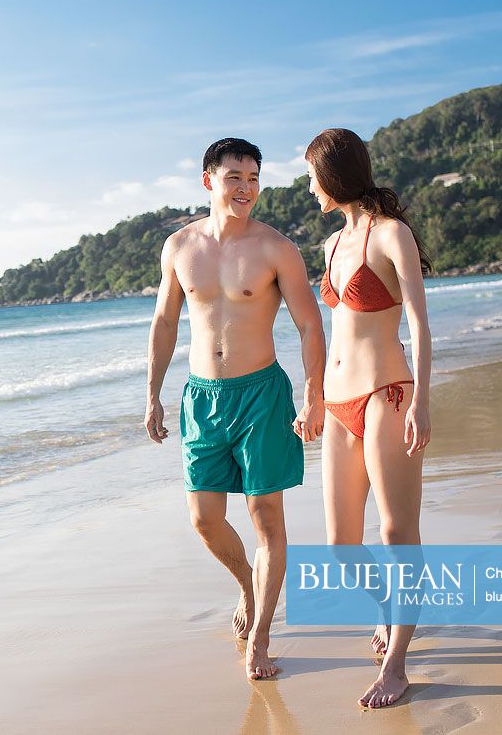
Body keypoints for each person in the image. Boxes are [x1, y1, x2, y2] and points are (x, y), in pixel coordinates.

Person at [145, 137, 326, 680]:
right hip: (202, 397)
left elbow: (310, 324)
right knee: (204, 519)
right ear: (209, 181)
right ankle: (247, 583)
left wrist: (313, 395)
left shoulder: (276, 249)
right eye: (234, 178)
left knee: (266, 515)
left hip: (261, 397)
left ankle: (263, 636)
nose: (246, 189)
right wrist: (152, 392)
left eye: (253, 179)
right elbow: (165, 322)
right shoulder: (179, 248)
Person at [305, 128, 433, 708]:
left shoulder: (391, 234)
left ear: (334, 176)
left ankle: (399, 664)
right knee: (341, 545)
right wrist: (312, 398)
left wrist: (423, 400)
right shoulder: (332, 246)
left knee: (396, 532)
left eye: (313, 176)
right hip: (338, 404)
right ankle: (390, 615)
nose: (309, 187)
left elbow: (421, 325)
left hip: (388, 392)